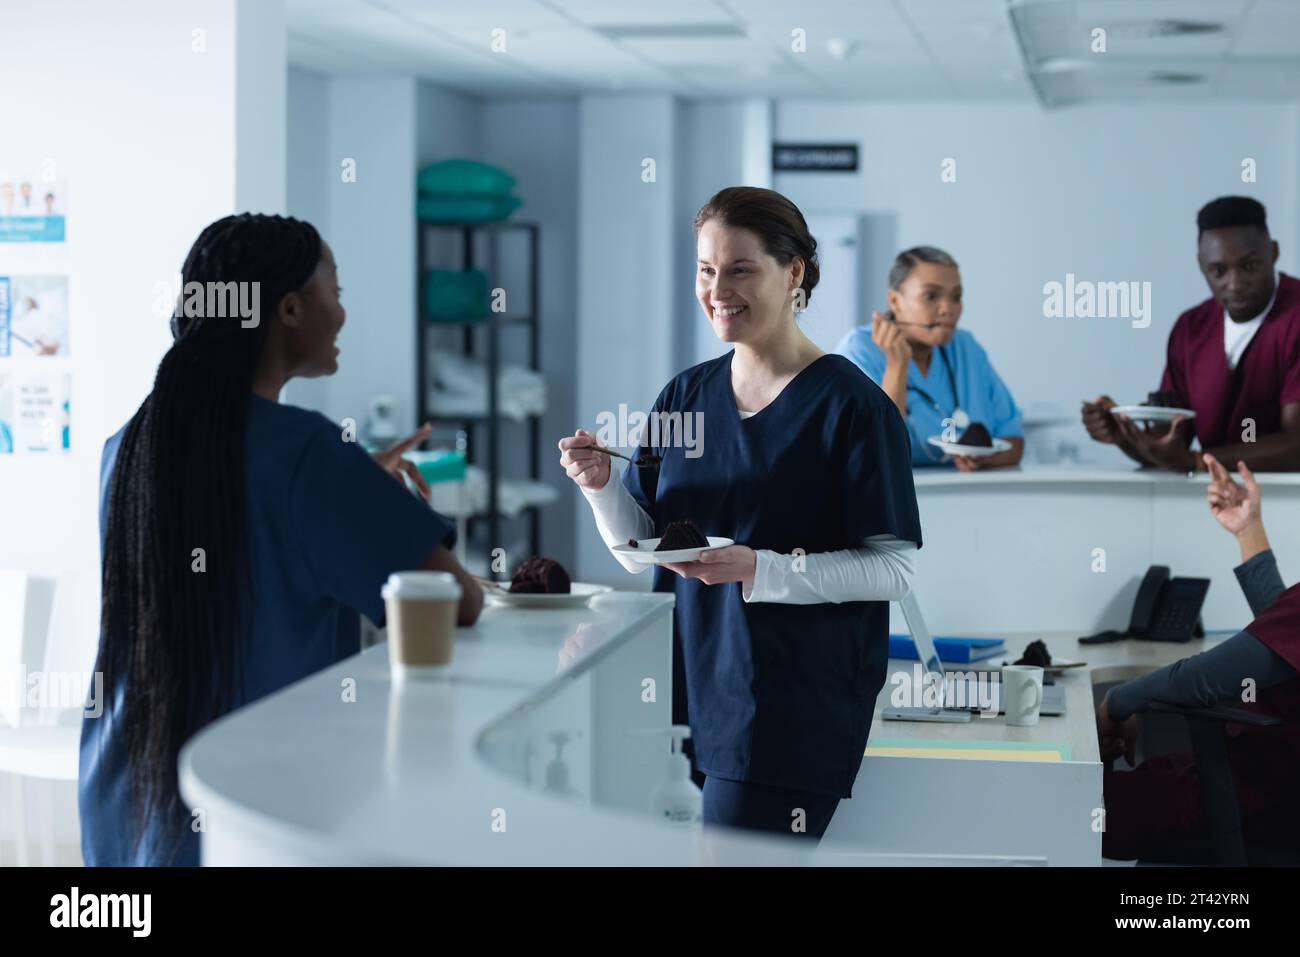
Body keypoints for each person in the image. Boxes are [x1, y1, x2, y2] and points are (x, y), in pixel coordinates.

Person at [80, 214, 483, 866]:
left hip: (127, 811)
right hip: (255, 819)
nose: (344, 312)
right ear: (291, 308)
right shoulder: (309, 456)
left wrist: (356, 488)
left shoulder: (123, 448)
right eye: (337, 288)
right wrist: (364, 496)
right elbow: (457, 598)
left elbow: (242, 516)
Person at [558, 187, 922, 840]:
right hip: (695, 690)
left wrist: (763, 568)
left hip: (792, 708)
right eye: (705, 268)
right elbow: (649, 546)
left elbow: (893, 568)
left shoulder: (853, 408)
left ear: (795, 273)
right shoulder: (686, 395)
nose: (717, 288)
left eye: (740, 268)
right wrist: (602, 485)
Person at [1096, 453, 1300, 860]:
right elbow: (1285, 631)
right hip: (1265, 777)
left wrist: (1115, 704)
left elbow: (1205, 679)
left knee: (1086, 809)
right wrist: (1249, 529)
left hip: (1263, 791)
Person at [1083, 196, 1300, 473]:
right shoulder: (1190, 329)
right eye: (1218, 271)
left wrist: (1198, 461)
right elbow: (1171, 449)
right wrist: (1124, 434)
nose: (1234, 284)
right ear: (1201, 265)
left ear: (1273, 252)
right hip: (1214, 504)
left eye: (1249, 266)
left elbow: (1296, 447)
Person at [836, 246, 1023, 470]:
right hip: (891, 500)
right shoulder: (859, 350)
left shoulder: (965, 348)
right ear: (894, 301)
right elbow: (877, 453)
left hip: (970, 496)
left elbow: (1013, 441)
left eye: (956, 297)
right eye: (931, 296)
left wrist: (981, 459)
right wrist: (897, 365)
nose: (948, 309)